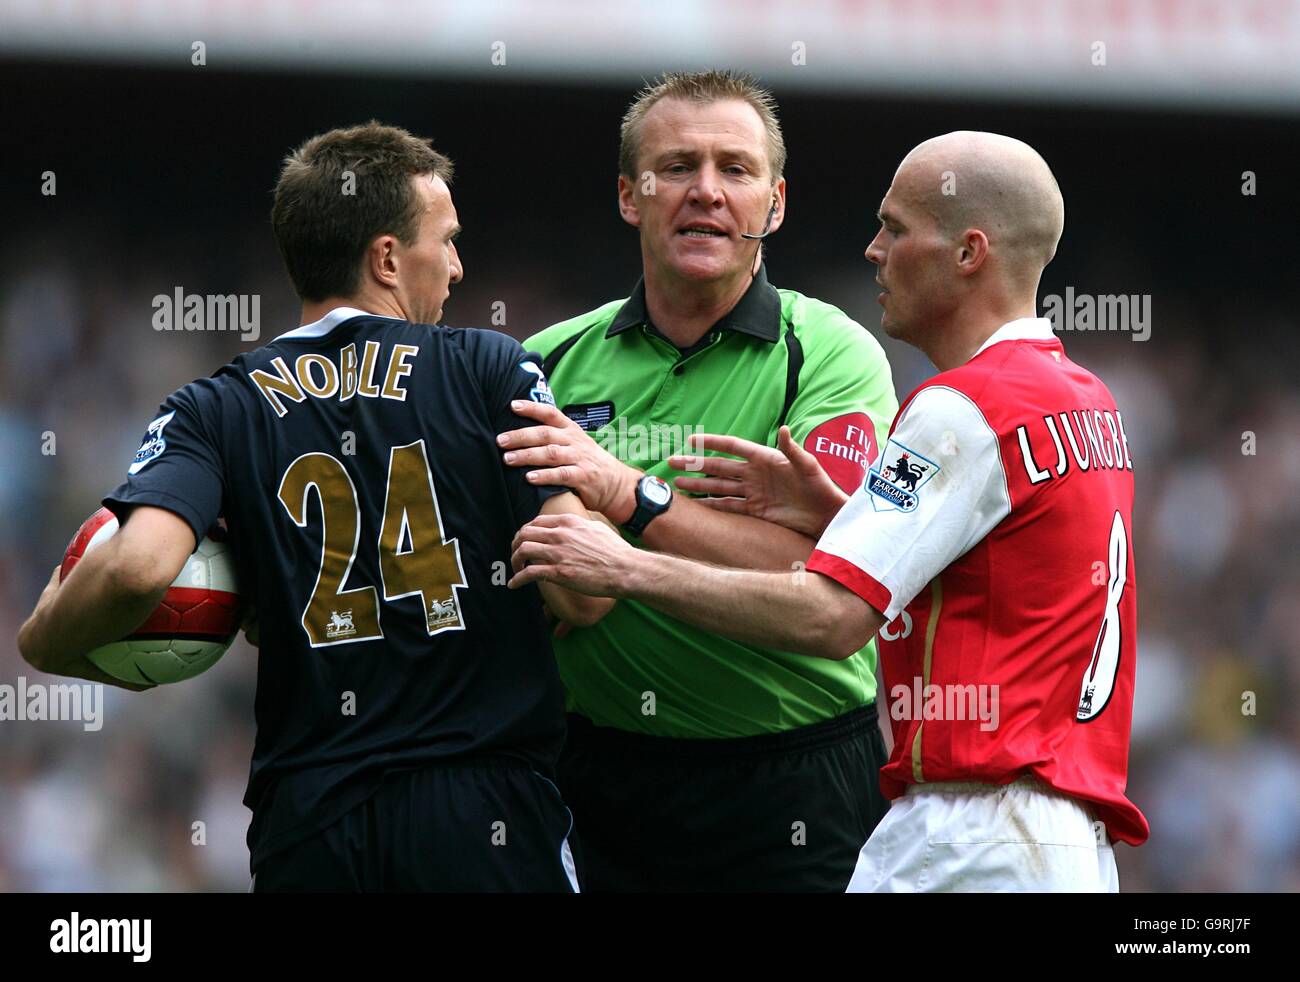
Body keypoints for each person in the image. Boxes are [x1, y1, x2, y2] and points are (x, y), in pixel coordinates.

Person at [509, 130, 1149, 892]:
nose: (874, 251)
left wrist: (628, 560)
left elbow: (833, 619)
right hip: (1060, 839)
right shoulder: (1086, 400)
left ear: (969, 253)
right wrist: (849, 513)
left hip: (973, 834)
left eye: (897, 228)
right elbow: (996, 577)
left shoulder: (962, 405)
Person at [18, 121, 611, 891]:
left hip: (311, 824)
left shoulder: (213, 407)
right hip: (483, 816)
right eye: (448, 240)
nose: (460, 267)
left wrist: (45, 647)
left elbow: (135, 570)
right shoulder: (491, 368)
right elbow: (584, 592)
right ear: (388, 258)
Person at [495, 70, 898, 891]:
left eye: (736, 170)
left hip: (795, 778)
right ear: (629, 196)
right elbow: (527, 563)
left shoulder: (830, 354)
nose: (706, 192)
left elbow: (827, 576)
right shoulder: (544, 359)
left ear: (774, 205)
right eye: (676, 167)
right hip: (595, 775)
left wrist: (625, 495)